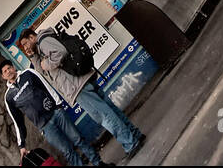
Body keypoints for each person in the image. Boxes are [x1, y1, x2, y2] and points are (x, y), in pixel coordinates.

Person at [17, 28, 145, 159]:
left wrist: (46, 64)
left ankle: (130, 143)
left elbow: (59, 53)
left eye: (26, 43)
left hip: (77, 87)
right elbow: (43, 72)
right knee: (110, 110)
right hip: (82, 80)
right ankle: (135, 135)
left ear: (32, 37)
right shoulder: (42, 47)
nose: (26, 47)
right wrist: (33, 56)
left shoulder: (43, 42)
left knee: (105, 116)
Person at [1, 61, 102, 166]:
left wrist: (58, 106)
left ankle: (98, 163)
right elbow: (18, 122)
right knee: (67, 151)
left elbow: (46, 86)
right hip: (45, 127)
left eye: (9, 68)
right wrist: (22, 145)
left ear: (13, 67)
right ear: (3, 76)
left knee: (78, 139)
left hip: (56, 113)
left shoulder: (28, 73)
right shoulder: (8, 97)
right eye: (5, 71)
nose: (8, 71)